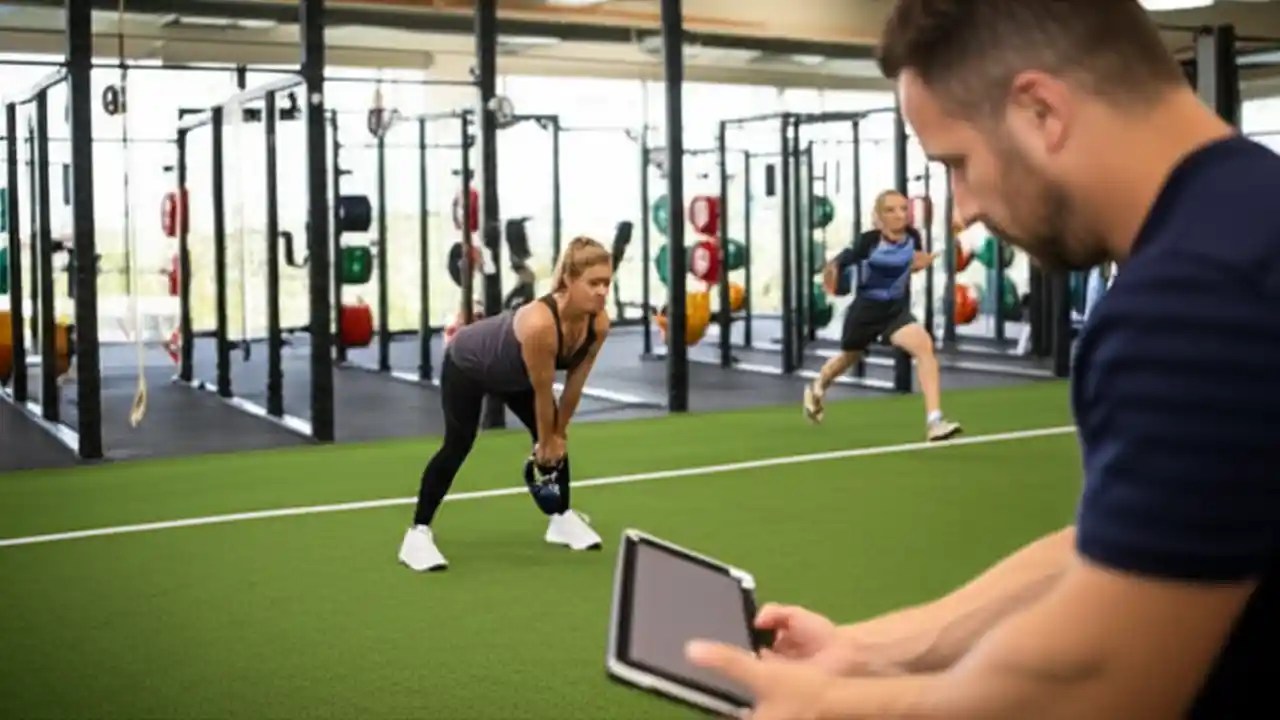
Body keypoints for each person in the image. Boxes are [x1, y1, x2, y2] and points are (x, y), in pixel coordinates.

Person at [685, 1, 1280, 718]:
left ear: (1039, 111)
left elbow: (1097, 688)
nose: (960, 208)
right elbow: (1133, 548)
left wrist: (835, 707)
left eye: (957, 163)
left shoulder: (1192, 300)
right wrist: (866, 650)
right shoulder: (1254, 210)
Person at [398, 236, 613, 572]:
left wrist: (557, 436)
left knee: (557, 432)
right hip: (469, 364)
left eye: (607, 283)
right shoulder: (541, 325)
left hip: (515, 374)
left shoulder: (598, 325)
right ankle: (417, 534)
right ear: (570, 281)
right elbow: (543, 392)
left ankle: (560, 517)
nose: (602, 291)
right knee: (458, 444)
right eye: (593, 283)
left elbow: (573, 387)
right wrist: (546, 440)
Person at [805, 189, 962, 442]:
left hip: (895, 311)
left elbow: (911, 264)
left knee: (924, 348)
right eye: (890, 210)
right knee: (848, 357)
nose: (899, 215)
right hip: (866, 310)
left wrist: (918, 264)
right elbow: (835, 266)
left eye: (902, 209)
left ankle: (934, 421)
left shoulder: (913, 237)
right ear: (878, 217)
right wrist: (831, 280)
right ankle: (817, 387)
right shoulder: (867, 242)